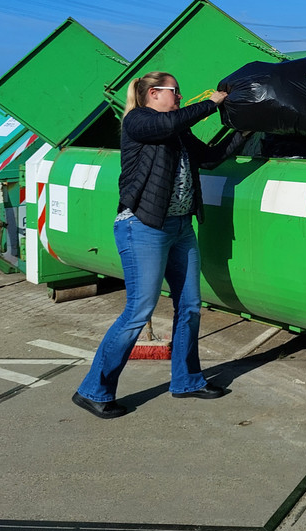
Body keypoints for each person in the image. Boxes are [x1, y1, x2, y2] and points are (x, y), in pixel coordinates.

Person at [72, 71, 248, 419]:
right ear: (154, 93)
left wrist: (247, 131)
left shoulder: (176, 129)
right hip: (143, 227)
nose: (181, 97)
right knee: (139, 310)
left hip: (181, 227)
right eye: (175, 92)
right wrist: (210, 104)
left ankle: (187, 381)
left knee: (191, 306)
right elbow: (170, 124)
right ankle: (93, 390)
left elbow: (211, 157)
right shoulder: (138, 121)